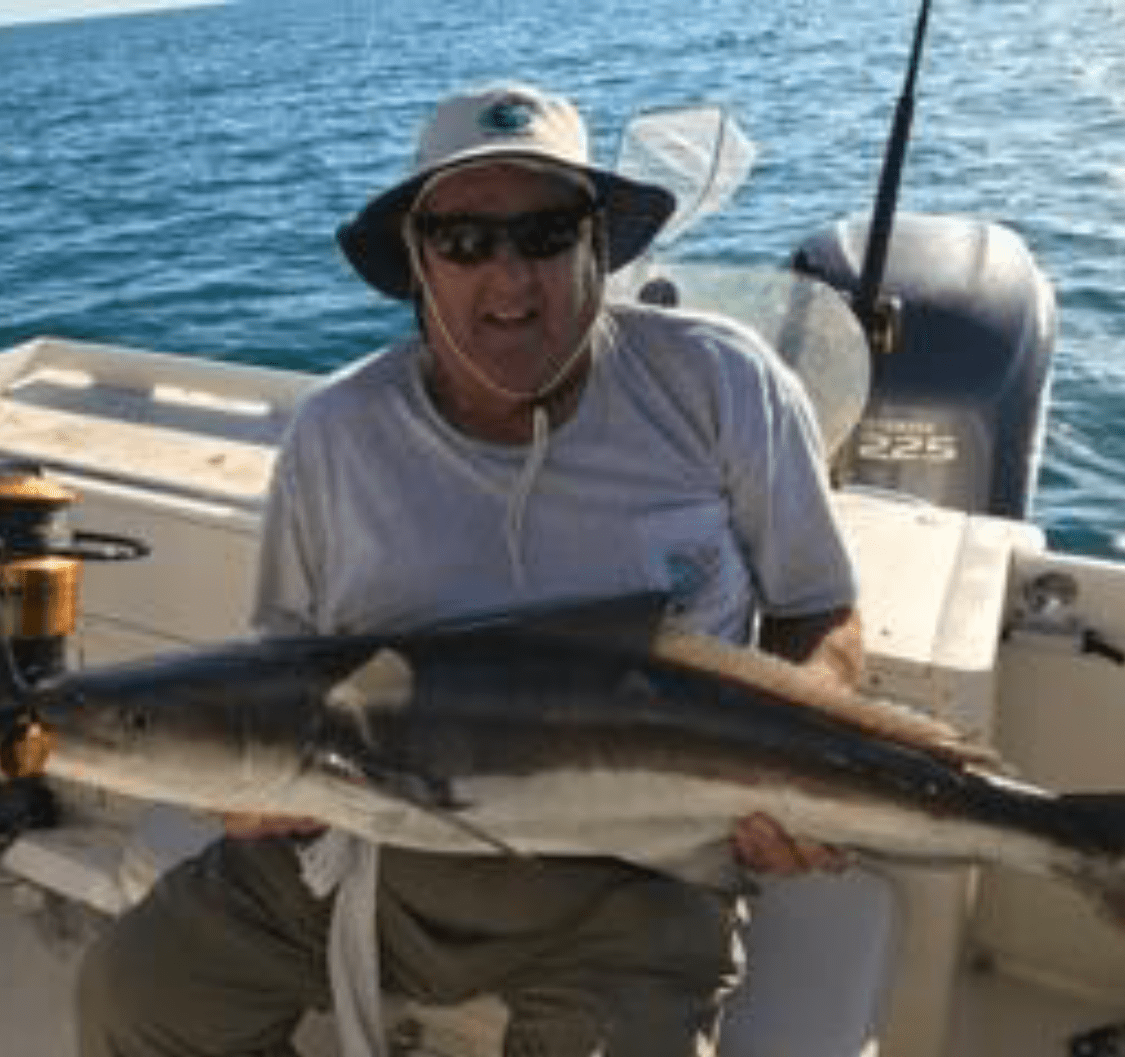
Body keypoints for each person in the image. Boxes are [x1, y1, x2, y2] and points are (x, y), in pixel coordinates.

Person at [77, 83, 863, 1057]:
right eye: (463, 240)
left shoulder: (721, 384)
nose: (511, 278)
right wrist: (251, 789)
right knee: (137, 995)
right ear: (416, 259)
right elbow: (284, 672)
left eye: (545, 232)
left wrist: (813, 745)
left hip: (641, 877)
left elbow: (817, 607)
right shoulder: (338, 437)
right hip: (374, 850)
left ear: (598, 244)